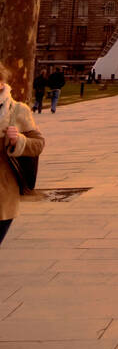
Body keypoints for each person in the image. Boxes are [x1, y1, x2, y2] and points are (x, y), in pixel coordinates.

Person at [0, 61, 45, 248]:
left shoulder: (18, 110)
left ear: (1, 83)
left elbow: (38, 144)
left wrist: (18, 140)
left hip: (3, 195)